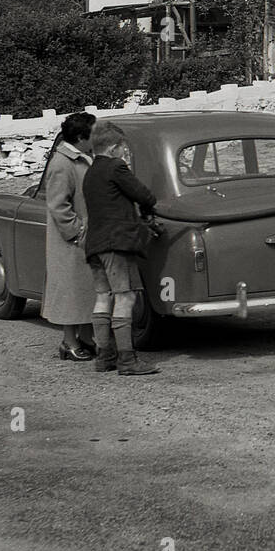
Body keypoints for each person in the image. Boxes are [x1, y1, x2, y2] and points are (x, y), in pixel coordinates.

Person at [82, 122, 160, 377]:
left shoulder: (91, 172)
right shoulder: (116, 167)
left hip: (95, 244)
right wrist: (148, 213)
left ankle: (104, 356)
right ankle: (127, 360)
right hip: (117, 243)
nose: (123, 153)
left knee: (103, 297)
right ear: (115, 148)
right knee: (125, 297)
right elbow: (145, 196)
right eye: (122, 148)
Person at [41, 111, 98, 361]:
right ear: (80, 137)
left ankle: (86, 337)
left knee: (86, 290)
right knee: (71, 290)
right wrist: (76, 231)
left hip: (86, 235)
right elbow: (57, 205)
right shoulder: (63, 163)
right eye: (93, 134)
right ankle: (69, 341)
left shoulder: (83, 158)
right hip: (71, 240)